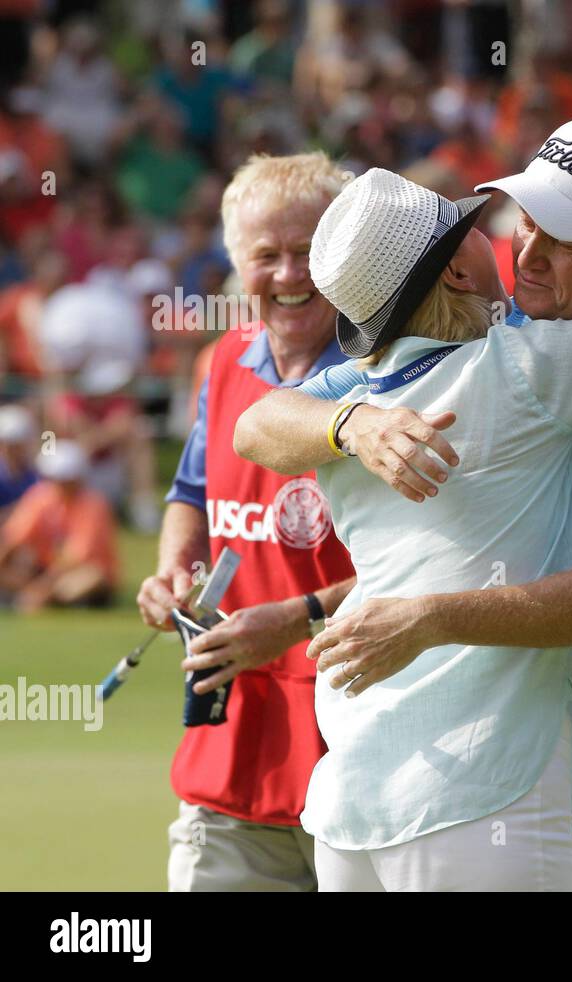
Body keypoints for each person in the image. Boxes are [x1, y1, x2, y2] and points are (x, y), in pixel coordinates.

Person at [235, 119, 572, 891]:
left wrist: (427, 617)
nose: (527, 254)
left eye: (565, 239)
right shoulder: (507, 339)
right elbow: (257, 421)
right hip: (552, 760)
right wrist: (350, 423)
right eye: (525, 222)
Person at [134, 153, 359, 892]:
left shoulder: (386, 376)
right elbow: (191, 491)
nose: (290, 275)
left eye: (309, 252)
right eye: (267, 255)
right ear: (237, 262)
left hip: (358, 738)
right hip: (232, 737)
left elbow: (429, 567)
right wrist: (174, 569)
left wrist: (295, 620)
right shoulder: (225, 359)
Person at [0, 440, 117, 612]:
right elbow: (14, 538)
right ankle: (34, 597)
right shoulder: (41, 497)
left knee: (90, 579)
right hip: (43, 571)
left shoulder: (93, 505)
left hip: (77, 573)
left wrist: (42, 589)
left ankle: (41, 599)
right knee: (19, 565)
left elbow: (75, 558)